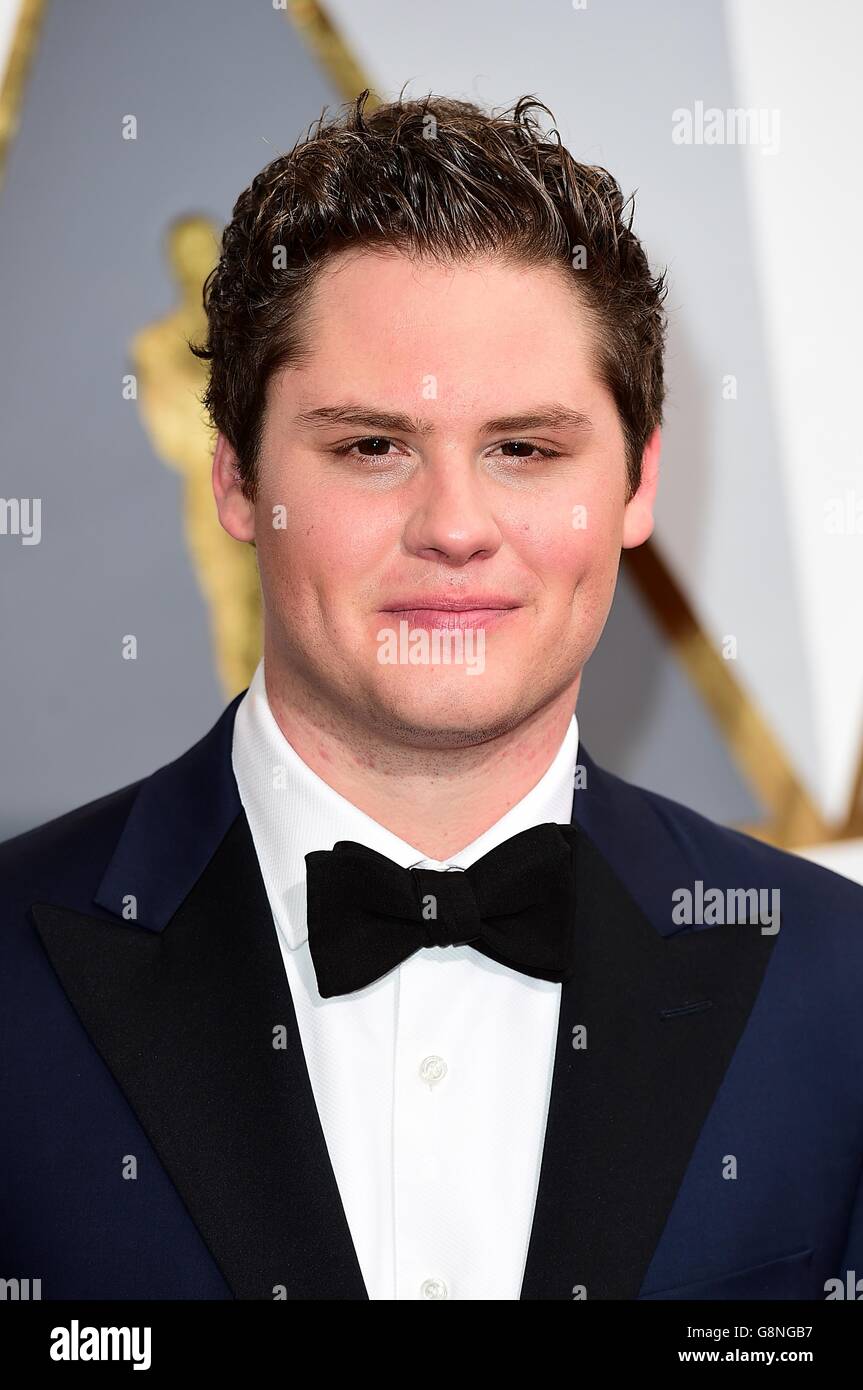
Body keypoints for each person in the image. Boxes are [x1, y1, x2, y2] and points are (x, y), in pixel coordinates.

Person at [2, 91, 862, 1303]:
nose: (454, 528)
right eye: (371, 448)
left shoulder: (836, 987)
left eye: (525, 449)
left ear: (635, 484)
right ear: (238, 481)